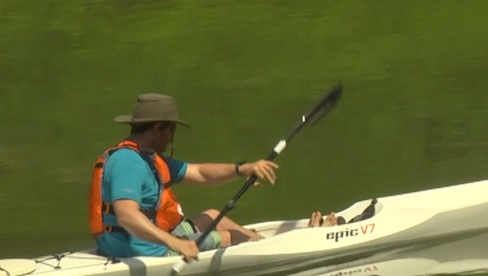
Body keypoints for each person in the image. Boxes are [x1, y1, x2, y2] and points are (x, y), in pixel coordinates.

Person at [89, 93, 336, 261]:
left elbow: (200, 173)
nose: (172, 137)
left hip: (135, 240)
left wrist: (243, 169)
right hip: (136, 250)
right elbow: (127, 215)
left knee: (212, 216)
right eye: (171, 130)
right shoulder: (129, 162)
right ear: (157, 128)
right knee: (232, 237)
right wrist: (175, 244)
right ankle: (295, 249)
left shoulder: (148, 157)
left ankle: (271, 242)